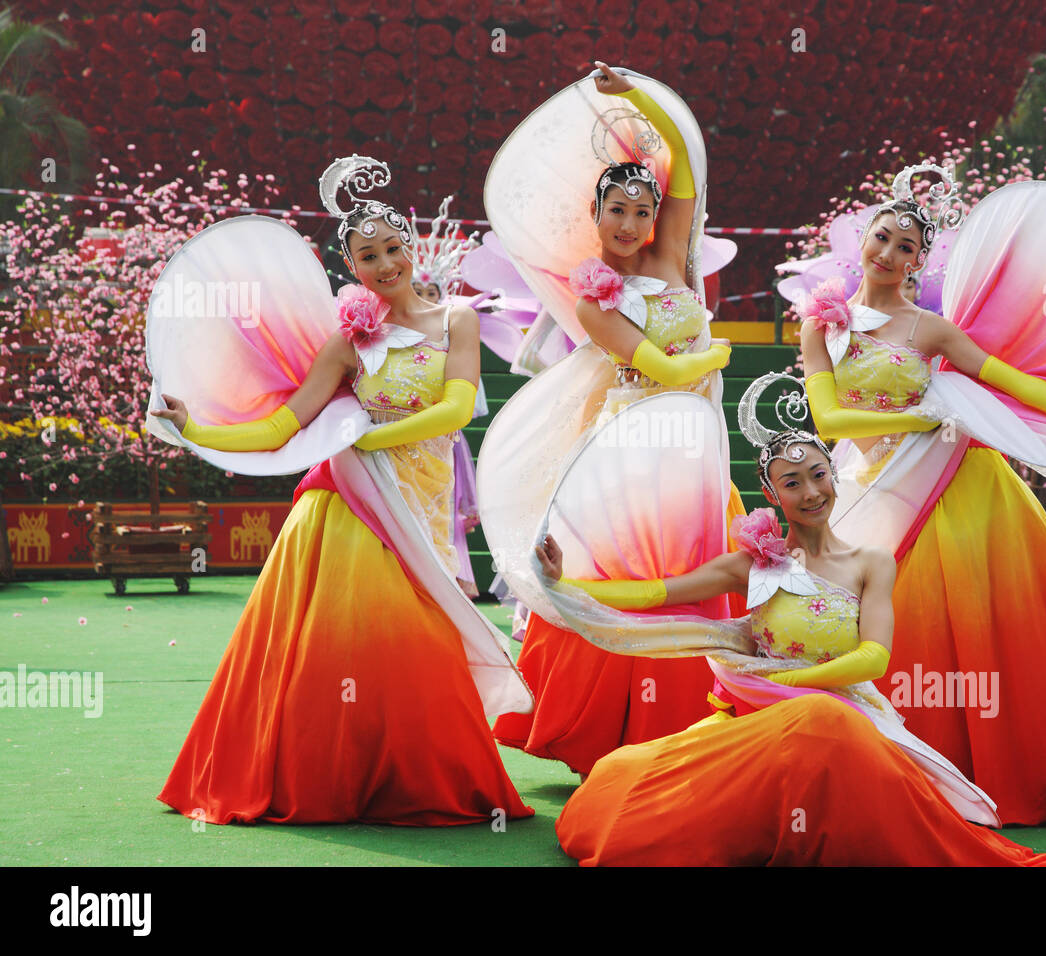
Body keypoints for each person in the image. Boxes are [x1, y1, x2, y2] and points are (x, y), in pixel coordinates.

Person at [529, 380, 1046, 865]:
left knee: (825, 727)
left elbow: (874, 657)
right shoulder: (750, 566)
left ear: (833, 474)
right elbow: (656, 592)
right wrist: (564, 582)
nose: (810, 493)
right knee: (623, 791)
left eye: (818, 475)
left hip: (847, 719)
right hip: (755, 719)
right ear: (771, 494)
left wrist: (786, 683)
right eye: (792, 482)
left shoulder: (872, 562)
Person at [147, 155, 532, 825]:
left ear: (410, 246)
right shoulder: (349, 341)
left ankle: (408, 781)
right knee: (353, 647)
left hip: (415, 494)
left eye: (391, 248)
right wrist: (194, 426)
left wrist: (362, 435)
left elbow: (456, 409)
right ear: (350, 269)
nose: (384, 264)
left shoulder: (456, 320)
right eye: (366, 256)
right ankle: (329, 779)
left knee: (413, 643)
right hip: (345, 507)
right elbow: (283, 425)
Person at [791, 163, 1046, 823]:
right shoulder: (822, 324)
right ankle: (897, 775)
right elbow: (828, 422)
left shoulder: (931, 332)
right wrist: (919, 418)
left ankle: (1018, 770)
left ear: (919, 261)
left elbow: (1017, 383)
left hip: (962, 486)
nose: (888, 254)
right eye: (882, 238)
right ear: (864, 238)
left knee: (996, 633)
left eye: (905, 247)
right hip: (878, 487)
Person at [479, 64, 745, 776]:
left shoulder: (672, 255)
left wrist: (639, 99)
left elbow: (687, 164)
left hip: (695, 446)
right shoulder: (594, 298)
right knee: (623, 563)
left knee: (696, 569)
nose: (629, 223)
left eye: (640, 210)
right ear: (592, 218)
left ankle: (694, 726)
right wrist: (713, 350)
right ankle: (604, 735)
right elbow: (666, 367)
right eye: (615, 210)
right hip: (631, 443)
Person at [411, 197, 487, 597]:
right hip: (403, 437)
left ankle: (452, 586)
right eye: (417, 288)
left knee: (443, 510)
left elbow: (470, 404)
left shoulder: (457, 333)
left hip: (444, 439)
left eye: (431, 289)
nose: (424, 294)